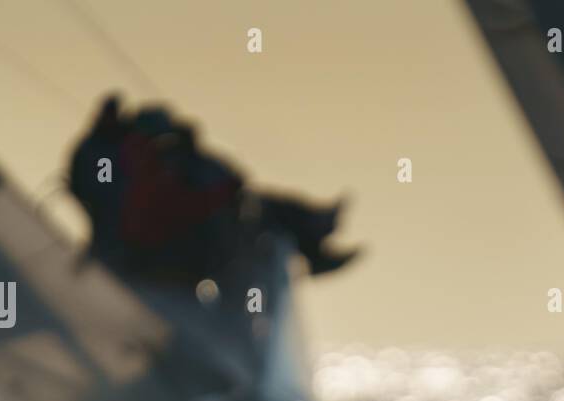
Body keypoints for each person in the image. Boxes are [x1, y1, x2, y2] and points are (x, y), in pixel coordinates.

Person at [68, 95, 357, 281]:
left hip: (162, 250)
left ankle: (313, 237)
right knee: (256, 209)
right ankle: (313, 234)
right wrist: (221, 192)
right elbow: (173, 207)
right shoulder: (133, 164)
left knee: (256, 206)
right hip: (160, 257)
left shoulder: (146, 163)